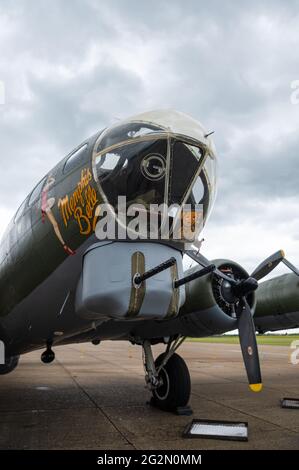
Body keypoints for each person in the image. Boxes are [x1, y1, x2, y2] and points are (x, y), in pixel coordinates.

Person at [41, 175, 75, 256]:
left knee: (52, 200)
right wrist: (51, 179)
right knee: (55, 225)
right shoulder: (45, 190)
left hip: (46, 205)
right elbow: (51, 183)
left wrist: (50, 179)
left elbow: (51, 184)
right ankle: (64, 245)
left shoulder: (45, 192)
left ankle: (64, 245)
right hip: (45, 207)